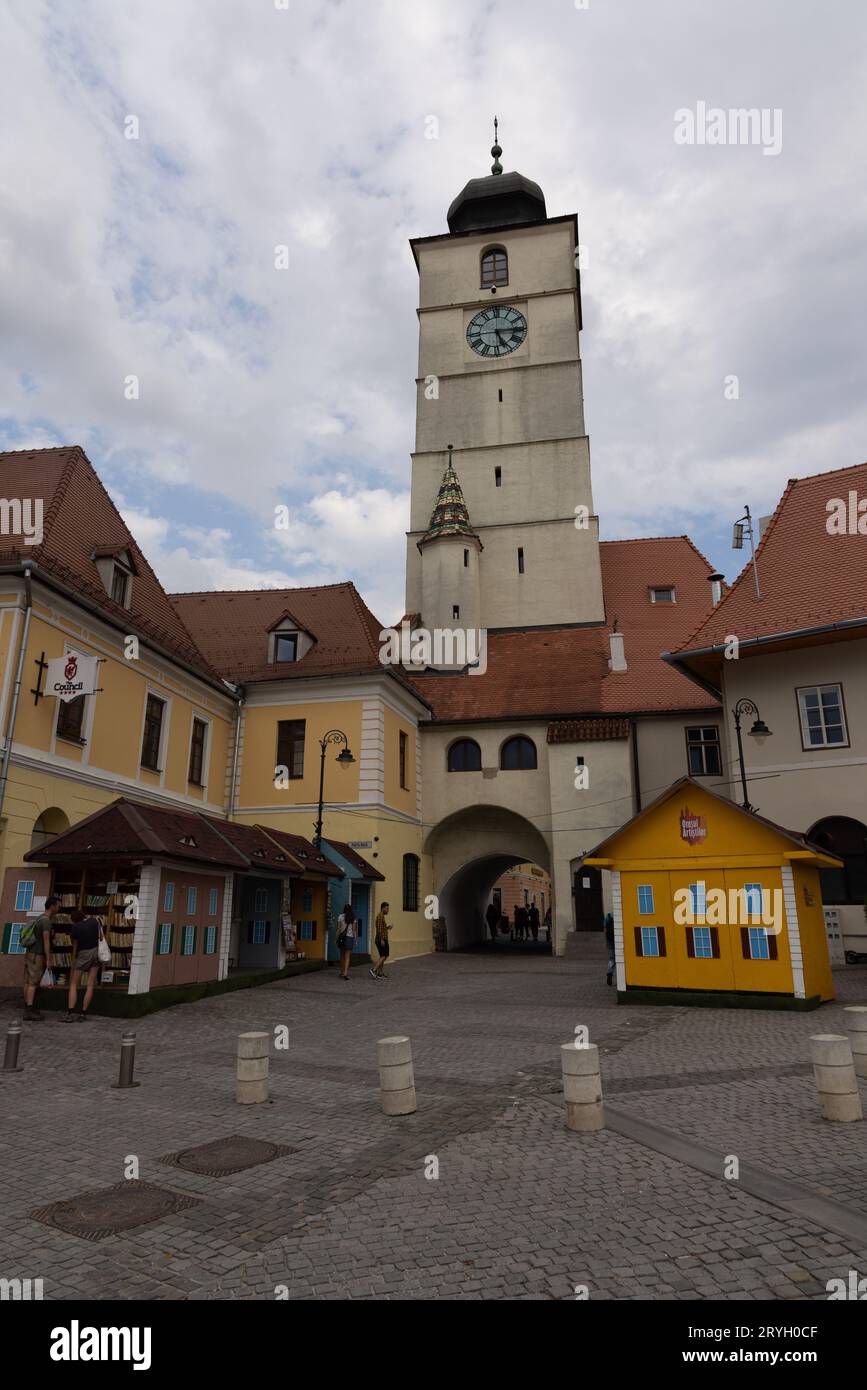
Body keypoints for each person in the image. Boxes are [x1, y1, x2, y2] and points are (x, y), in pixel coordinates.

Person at [21, 894, 61, 1020]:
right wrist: (48, 959)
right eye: (58, 906)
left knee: (28, 981)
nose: (59, 908)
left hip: (30, 953)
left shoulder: (39, 918)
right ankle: (29, 1011)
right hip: (37, 955)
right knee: (33, 983)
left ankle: (28, 1005)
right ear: (52, 906)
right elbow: (46, 940)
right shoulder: (46, 921)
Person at [62, 909, 103, 1020]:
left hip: (83, 954)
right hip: (96, 953)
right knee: (90, 984)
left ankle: (70, 1012)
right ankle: (83, 1013)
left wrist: (75, 958)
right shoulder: (95, 921)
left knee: (74, 983)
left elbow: (74, 944)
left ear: (74, 919)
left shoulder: (75, 927)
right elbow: (101, 937)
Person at [370, 900, 391, 979]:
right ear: (382, 908)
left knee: (384, 955)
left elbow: (382, 928)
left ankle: (380, 973)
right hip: (381, 939)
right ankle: (373, 970)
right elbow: (379, 929)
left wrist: (387, 927)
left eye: (388, 909)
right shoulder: (380, 916)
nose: (388, 910)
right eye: (387, 908)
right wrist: (382, 939)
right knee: (383, 955)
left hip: (383, 938)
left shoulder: (382, 917)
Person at [336, 902, 356, 980]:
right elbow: (354, 930)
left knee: (342, 955)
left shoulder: (340, 916)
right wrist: (355, 940)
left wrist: (336, 938)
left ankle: (341, 971)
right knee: (347, 957)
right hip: (350, 938)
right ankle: (346, 973)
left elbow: (338, 929)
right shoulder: (353, 917)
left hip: (342, 938)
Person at [604, 910, 615, 986]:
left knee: (611, 958)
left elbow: (605, 928)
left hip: (609, 940)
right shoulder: (620, 912)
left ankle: (609, 973)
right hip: (618, 940)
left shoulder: (608, 915)